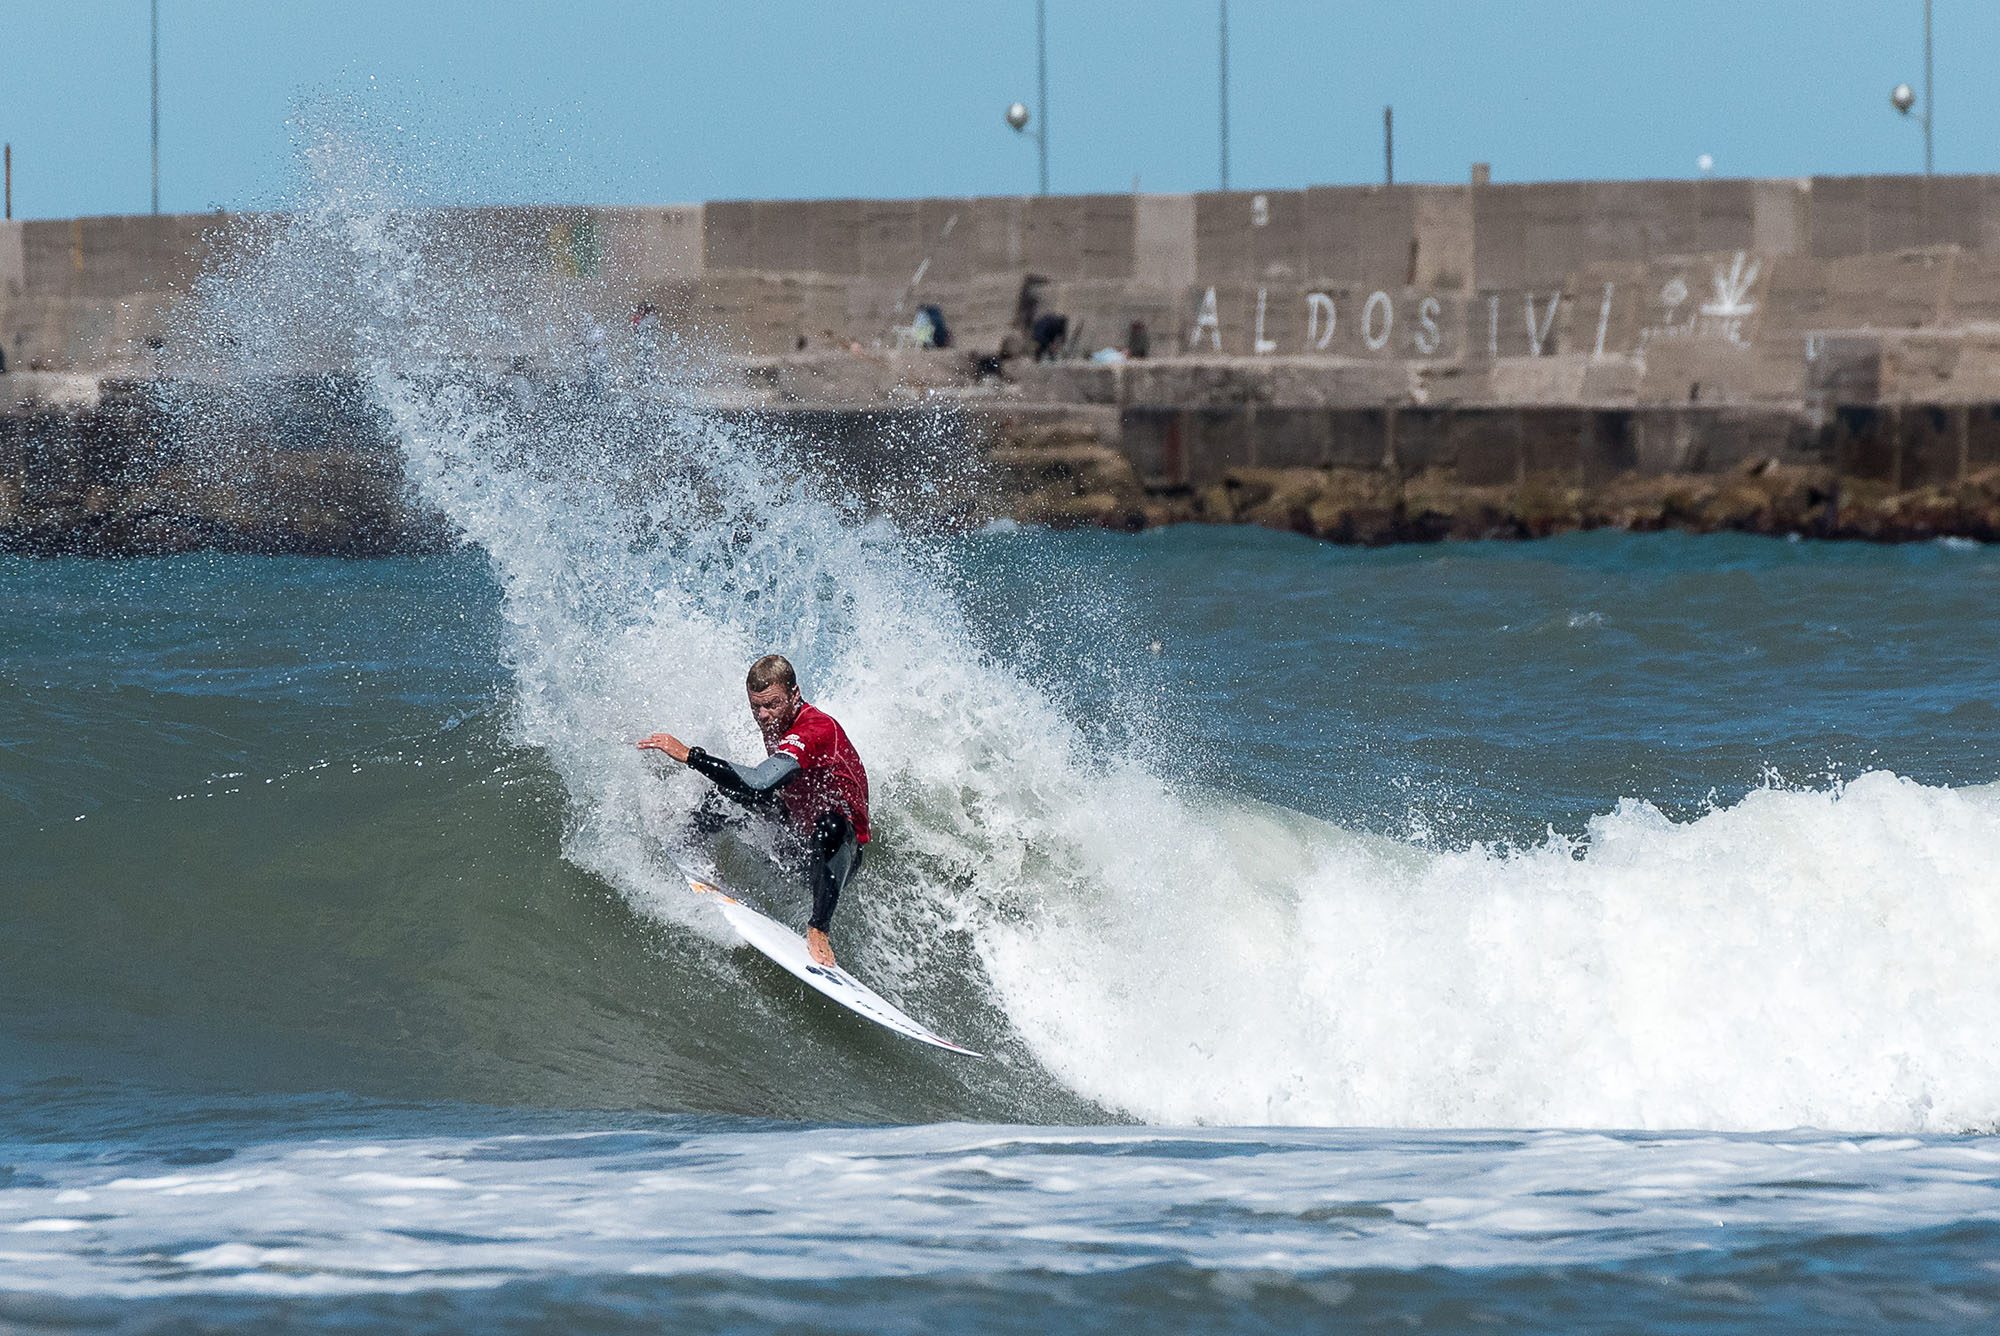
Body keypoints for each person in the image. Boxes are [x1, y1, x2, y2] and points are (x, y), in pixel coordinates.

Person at [636, 655, 870, 967]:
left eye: (771, 705)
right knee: (728, 788)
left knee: (828, 825)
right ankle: (684, 842)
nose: (763, 715)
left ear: (795, 694)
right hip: (795, 836)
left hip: (837, 855)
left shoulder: (816, 729)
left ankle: (819, 928)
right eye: (755, 707)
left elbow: (759, 783)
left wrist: (690, 755)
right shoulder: (777, 719)